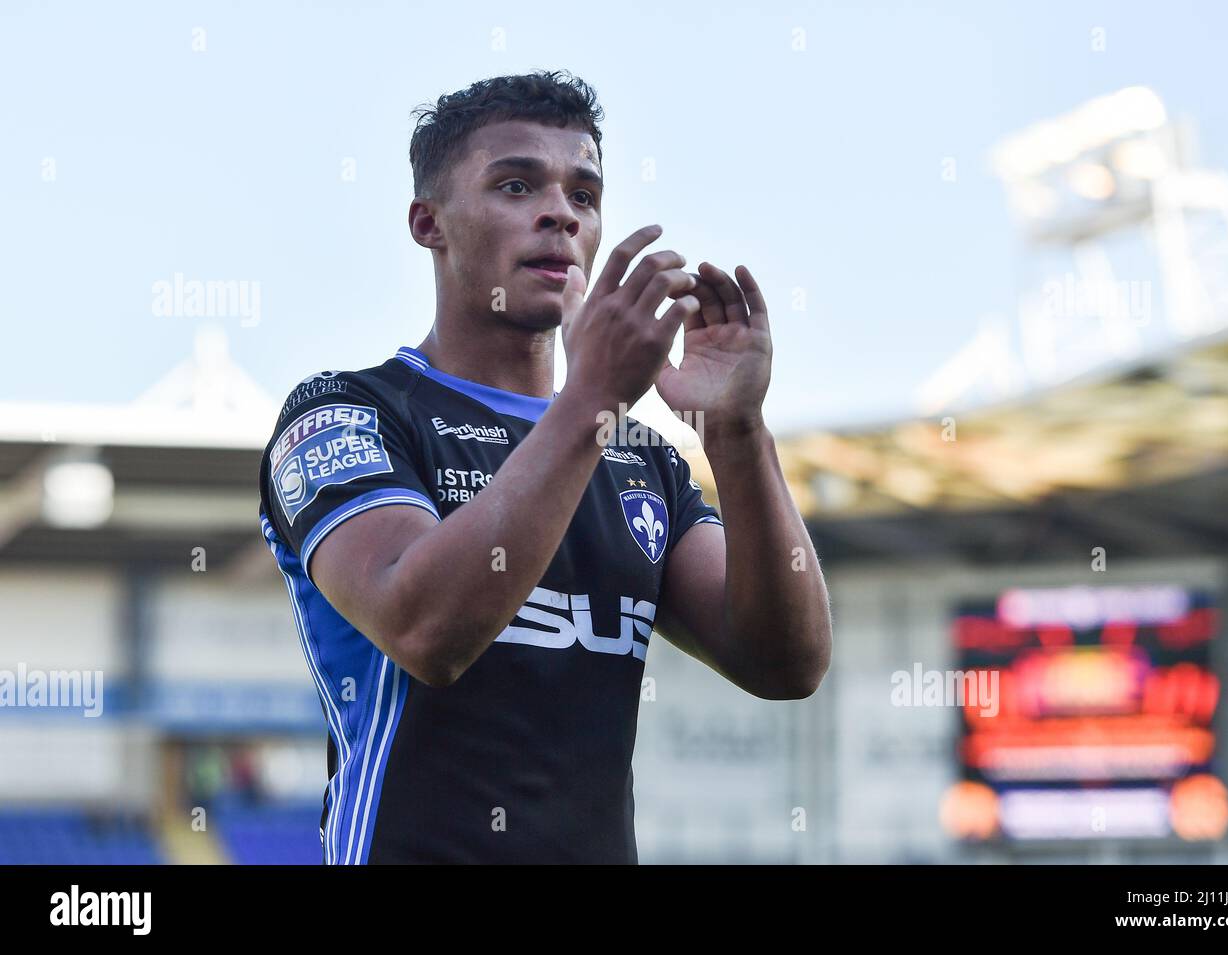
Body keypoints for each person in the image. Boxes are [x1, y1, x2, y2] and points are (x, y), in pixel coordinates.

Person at [257, 69, 831, 864]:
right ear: (430, 223)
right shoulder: (347, 414)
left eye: (584, 195)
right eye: (517, 185)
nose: (560, 212)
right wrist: (593, 394)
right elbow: (426, 629)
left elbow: (785, 661)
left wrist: (736, 433)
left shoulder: (642, 462)